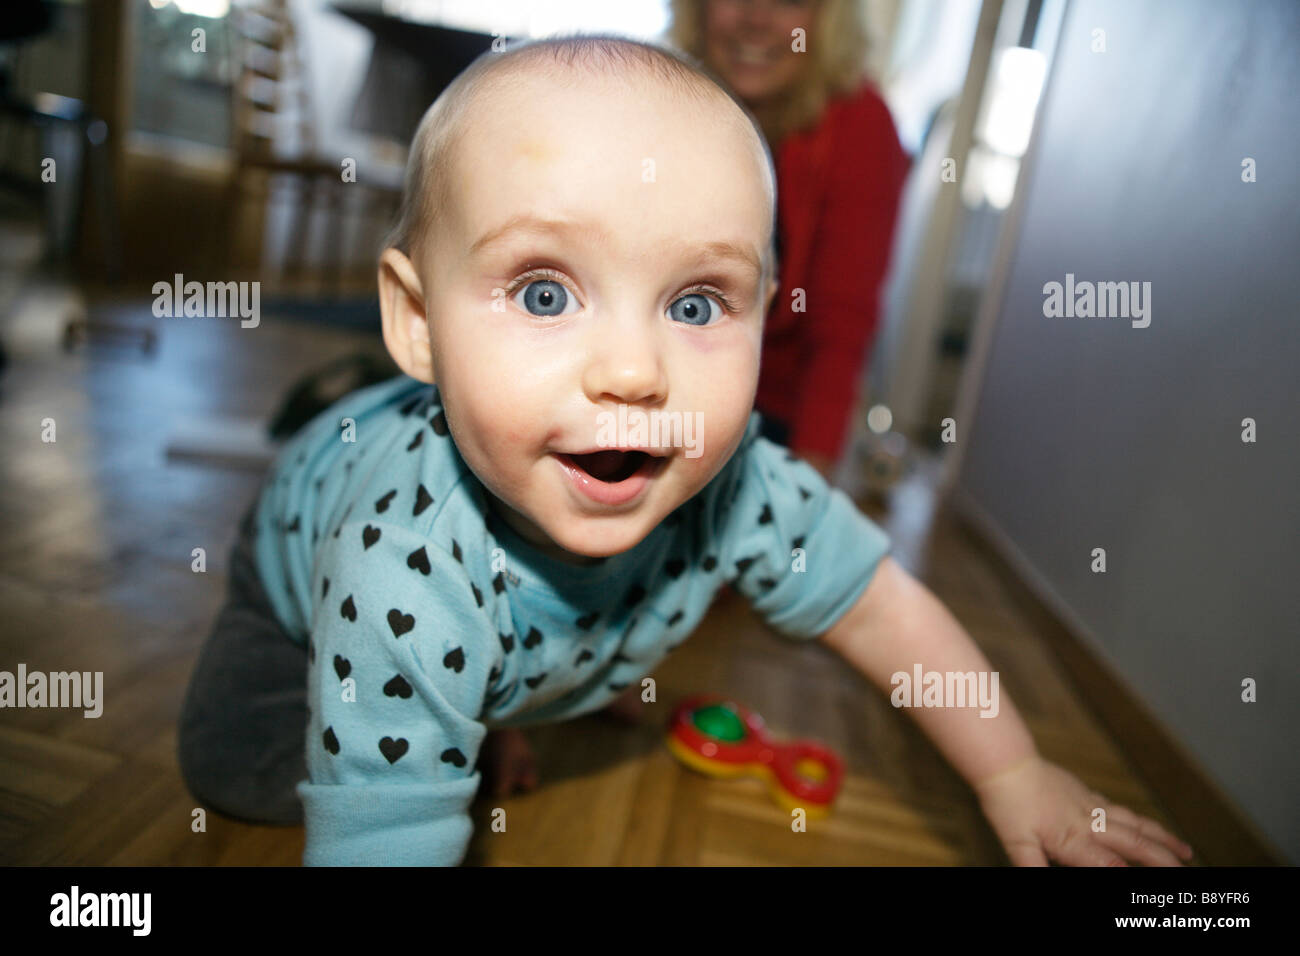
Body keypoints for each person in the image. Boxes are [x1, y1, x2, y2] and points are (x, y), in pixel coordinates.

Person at [178, 34, 1192, 867]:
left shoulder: (738, 480)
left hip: (487, 623)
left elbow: (882, 607)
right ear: (418, 321)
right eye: (544, 293)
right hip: (295, 586)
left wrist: (1014, 770)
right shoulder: (405, 558)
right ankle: (445, 701)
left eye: (696, 302)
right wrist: (428, 776)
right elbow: (383, 843)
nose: (633, 370)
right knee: (243, 758)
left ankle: (476, 704)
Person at [669, 0, 910, 477]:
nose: (756, 17)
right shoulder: (654, 101)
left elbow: (840, 331)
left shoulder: (861, 126)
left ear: (829, 22)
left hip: (769, 423)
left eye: (790, 1)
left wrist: (804, 503)